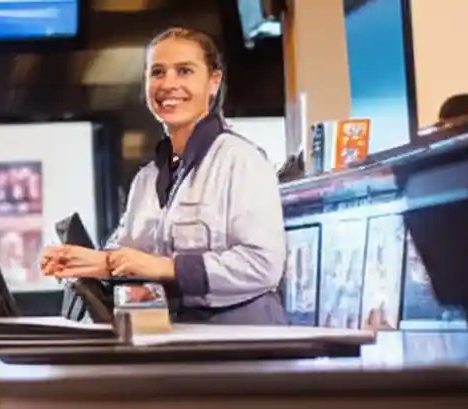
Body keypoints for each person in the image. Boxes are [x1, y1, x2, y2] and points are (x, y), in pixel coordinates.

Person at [40, 27, 287, 325]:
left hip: (243, 343)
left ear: (213, 82)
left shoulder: (240, 160)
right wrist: (88, 262)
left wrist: (167, 268)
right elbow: (132, 257)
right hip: (178, 336)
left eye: (184, 71)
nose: (168, 84)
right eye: (158, 72)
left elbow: (263, 265)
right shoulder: (147, 179)